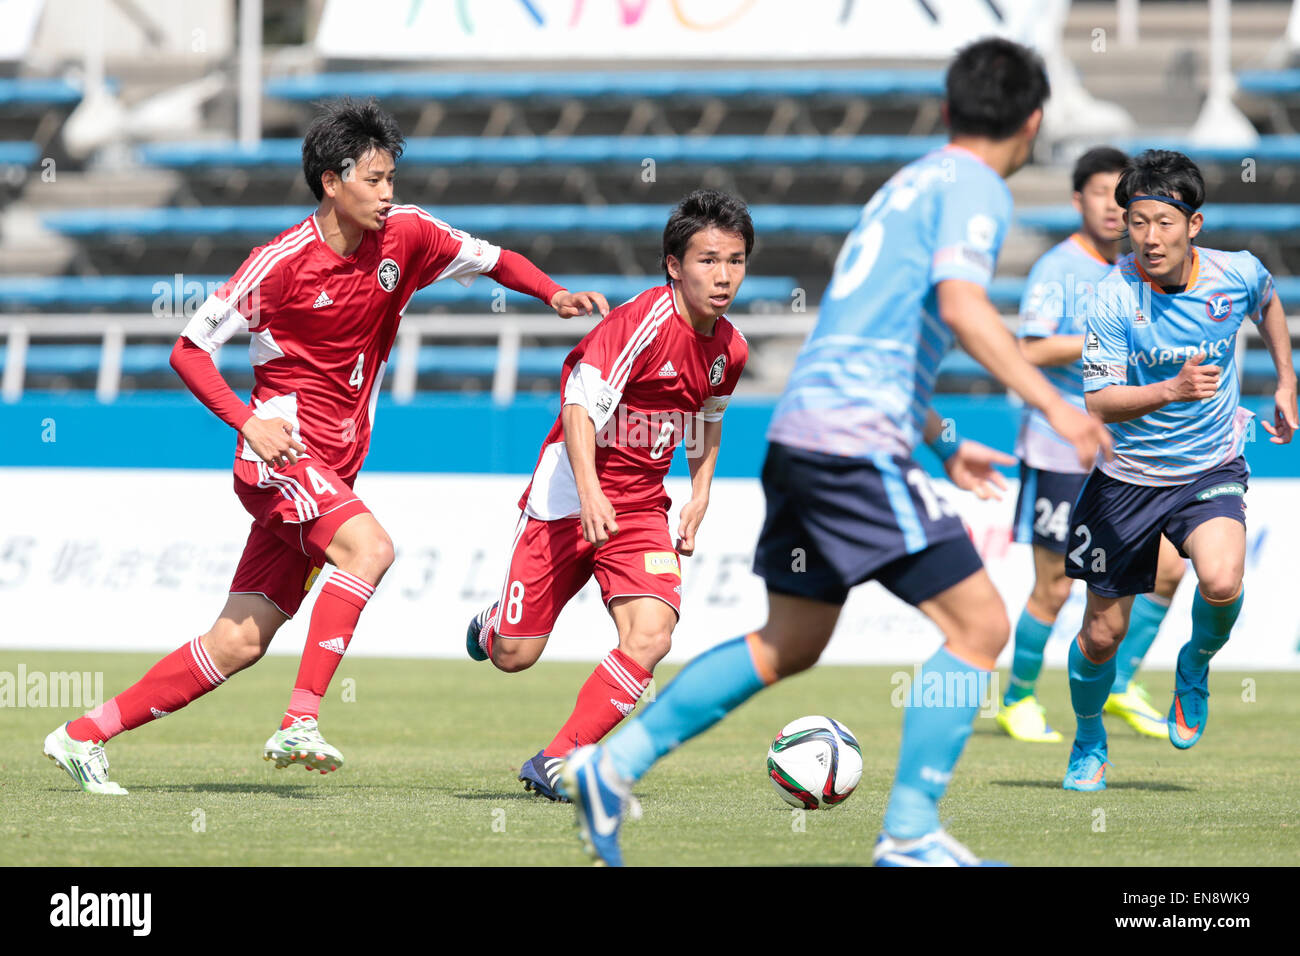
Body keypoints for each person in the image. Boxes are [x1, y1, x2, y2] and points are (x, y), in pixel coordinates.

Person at [562, 37, 1111, 867]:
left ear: (945, 111)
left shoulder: (907, 185)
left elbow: (874, 332)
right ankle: (911, 834)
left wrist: (938, 438)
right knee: (979, 625)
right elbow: (963, 308)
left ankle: (613, 765)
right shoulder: (975, 188)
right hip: (854, 446)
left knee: (790, 640)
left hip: (806, 432)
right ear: (1034, 119)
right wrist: (1056, 411)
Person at [42, 98, 608, 794]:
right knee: (369, 549)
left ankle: (80, 736)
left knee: (240, 640)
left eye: (391, 177)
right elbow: (189, 351)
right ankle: (301, 718)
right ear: (331, 182)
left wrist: (552, 295)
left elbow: (493, 260)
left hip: (330, 470)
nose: (388, 192)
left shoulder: (409, 235)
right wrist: (247, 422)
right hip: (277, 460)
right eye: (373, 179)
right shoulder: (276, 264)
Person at [464, 189, 750, 802]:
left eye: (735, 260)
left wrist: (700, 491)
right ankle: (493, 626)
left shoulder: (731, 349)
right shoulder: (640, 325)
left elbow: (706, 417)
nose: (723, 276)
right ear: (674, 264)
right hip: (567, 498)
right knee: (515, 654)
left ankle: (559, 760)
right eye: (708, 260)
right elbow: (577, 407)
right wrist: (590, 493)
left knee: (651, 636)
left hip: (643, 508)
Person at [1061, 149, 1296, 791]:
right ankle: (1088, 740)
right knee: (1101, 636)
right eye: (1137, 222)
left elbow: (1269, 301)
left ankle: (1193, 667)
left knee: (1221, 580)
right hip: (1126, 482)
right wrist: (1172, 389)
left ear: (1194, 224)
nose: (1150, 238)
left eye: (1164, 222)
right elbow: (1099, 403)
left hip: (1208, 469)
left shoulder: (1235, 273)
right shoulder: (1113, 297)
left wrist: (1284, 380)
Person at [998, 147, 1182, 744]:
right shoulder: (1059, 267)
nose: (1112, 206)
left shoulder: (1143, 270)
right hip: (1060, 447)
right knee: (1055, 586)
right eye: (1101, 193)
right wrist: (1103, 339)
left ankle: (1123, 681)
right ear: (1078, 200)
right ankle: (1019, 698)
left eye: (1121, 196)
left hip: (1129, 451)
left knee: (1169, 572)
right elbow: (1029, 349)